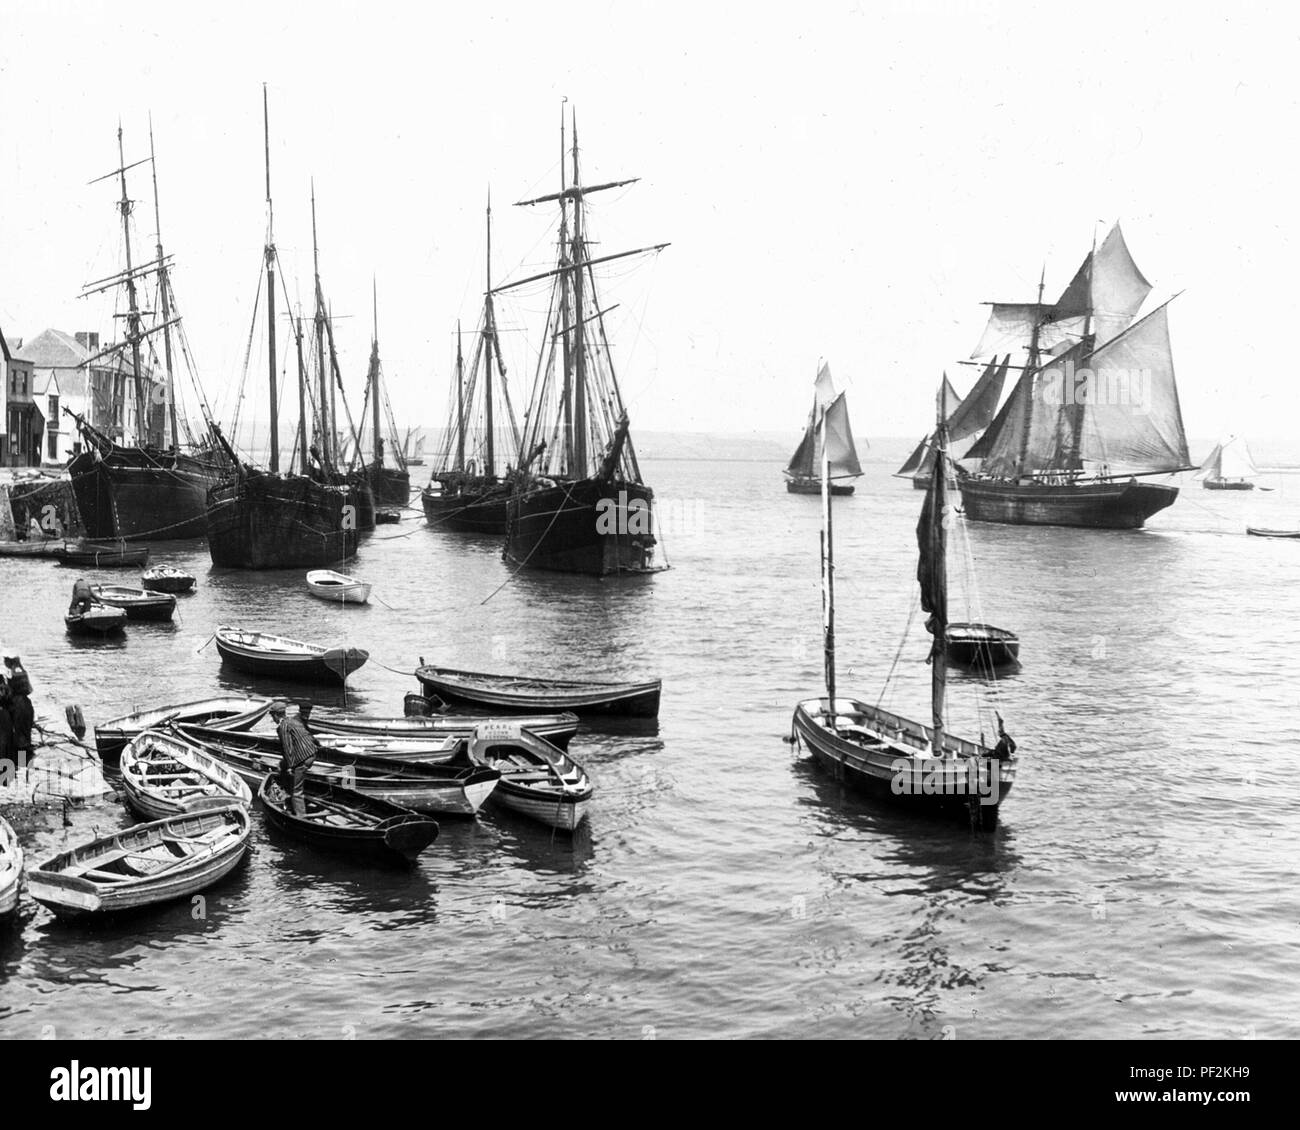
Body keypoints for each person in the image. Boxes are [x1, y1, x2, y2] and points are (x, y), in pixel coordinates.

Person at [271, 699, 318, 817]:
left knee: (297, 791)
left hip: (303, 758)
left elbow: (288, 749)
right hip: (312, 753)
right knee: (283, 765)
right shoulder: (293, 720)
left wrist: (290, 767)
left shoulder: (283, 726)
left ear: (276, 715)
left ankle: (301, 817)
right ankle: (288, 792)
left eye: (272, 716)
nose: (273, 719)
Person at [3, 656, 33, 759]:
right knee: (22, 741)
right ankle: (22, 766)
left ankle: (21, 765)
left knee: (21, 743)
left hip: (19, 707)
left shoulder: (15, 670)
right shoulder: (17, 669)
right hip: (23, 705)